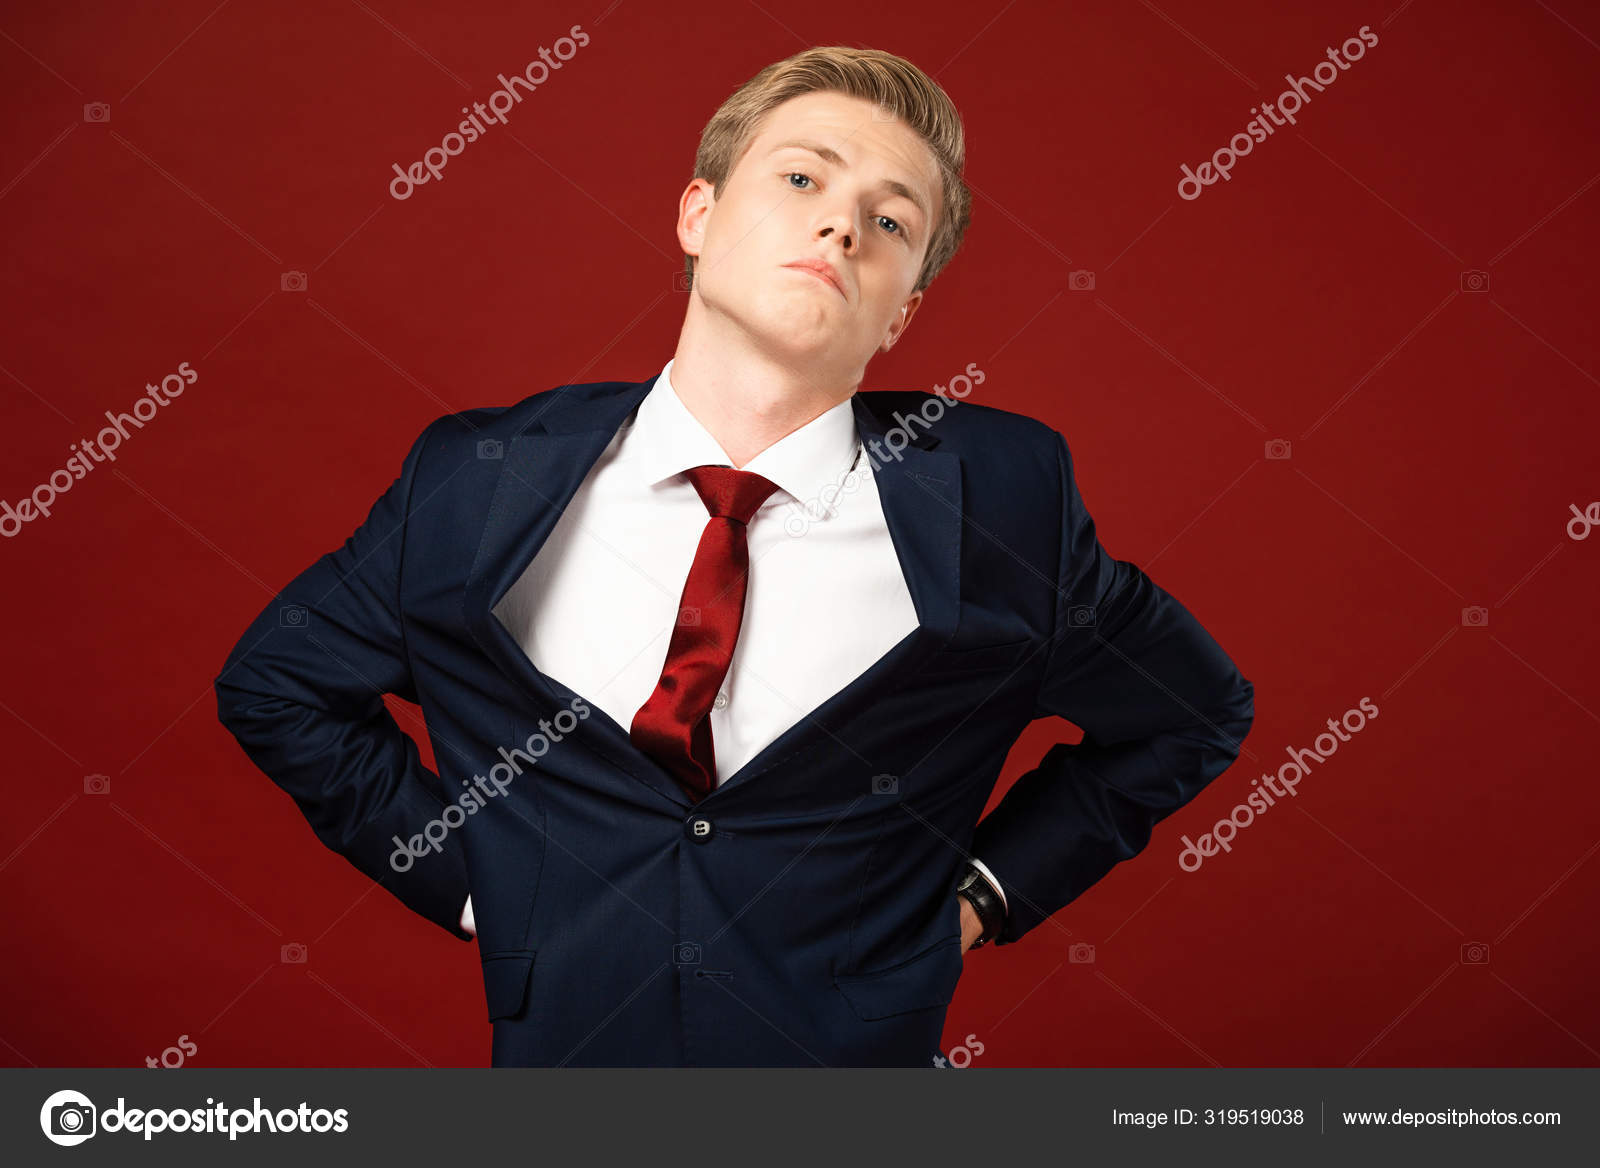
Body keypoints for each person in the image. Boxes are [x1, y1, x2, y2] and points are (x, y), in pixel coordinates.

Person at [214, 44, 1254, 1067]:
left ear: (903, 312)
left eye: (891, 221)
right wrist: (471, 887)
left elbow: (1193, 714)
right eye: (802, 179)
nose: (842, 225)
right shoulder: (479, 477)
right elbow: (277, 684)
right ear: (698, 216)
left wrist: (986, 894)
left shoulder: (1006, 501)